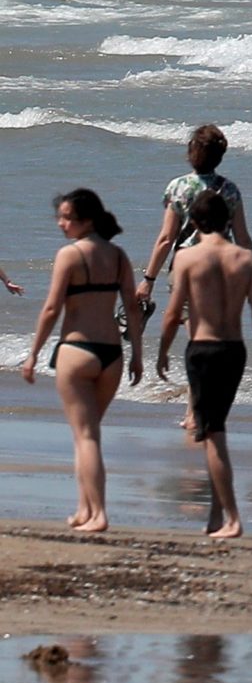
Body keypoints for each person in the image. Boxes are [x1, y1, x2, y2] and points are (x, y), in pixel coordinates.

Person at [24, 189, 143, 532]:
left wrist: (33, 353)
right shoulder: (119, 256)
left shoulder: (69, 255)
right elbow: (132, 308)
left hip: (77, 352)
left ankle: (100, 514)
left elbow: (51, 309)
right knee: (85, 434)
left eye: (68, 218)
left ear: (87, 220)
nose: (62, 224)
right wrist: (136, 354)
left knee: (86, 436)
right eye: (60, 217)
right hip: (112, 355)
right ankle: (83, 510)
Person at [155, 191, 252, 539]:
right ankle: (216, 516)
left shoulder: (187, 258)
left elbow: (174, 313)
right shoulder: (245, 258)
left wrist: (162, 352)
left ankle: (232, 518)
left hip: (203, 349)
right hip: (235, 351)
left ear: (193, 222)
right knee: (215, 428)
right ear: (227, 220)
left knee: (213, 434)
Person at [134, 125, 252, 313]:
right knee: (219, 328)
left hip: (186, 265)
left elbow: (166, 238)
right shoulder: (230, 190)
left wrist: (148, 280)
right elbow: (243, 238)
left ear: (191, 153)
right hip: (223, 265)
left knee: (194, 327)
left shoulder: (178, 187)